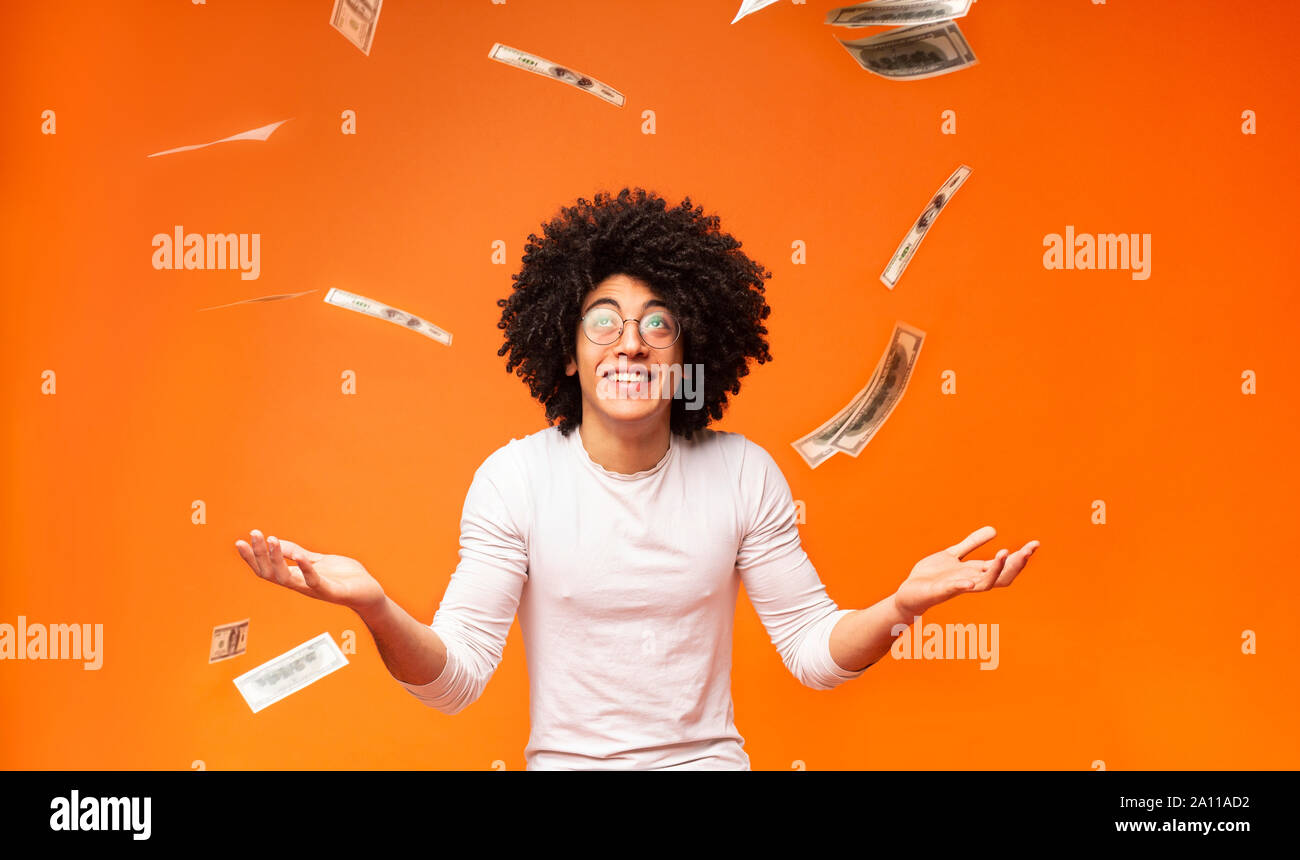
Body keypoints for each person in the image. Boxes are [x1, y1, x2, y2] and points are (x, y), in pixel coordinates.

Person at [234, 187, 1040, 770]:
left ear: (691, 355)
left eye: (658, 323)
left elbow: (812, 653)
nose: (631, 344)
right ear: (566, 350)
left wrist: (901, 607)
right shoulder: (514, 481)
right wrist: (374, 608)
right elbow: (456, 681)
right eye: (603, 323)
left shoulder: (741, 472)